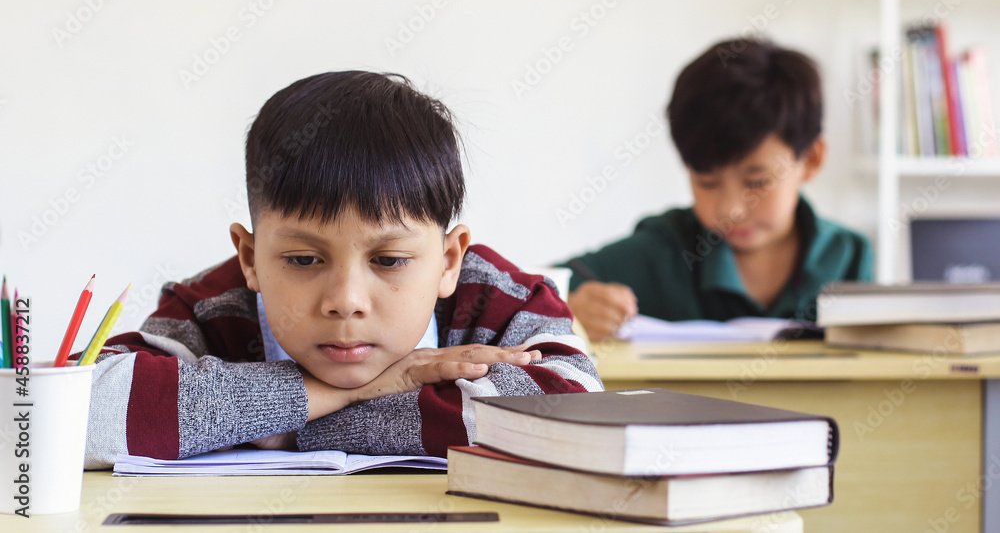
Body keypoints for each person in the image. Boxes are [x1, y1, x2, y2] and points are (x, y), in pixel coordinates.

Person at [83, 71, 602, 469]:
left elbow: (573, 412)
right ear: (250, 258)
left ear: (448, 260)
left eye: (390, 260)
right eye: (304, 260)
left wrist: (277, 427)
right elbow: (83, 413)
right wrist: (353, 390)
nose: (346, 299)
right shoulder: (211, 308)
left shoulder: (501, 297)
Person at [561, 38, 873, 341]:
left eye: (756, 182)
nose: (730, 210)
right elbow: (526, 289)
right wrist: (570, 308)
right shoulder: (660, 252)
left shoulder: (850, 258)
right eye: (706, 182)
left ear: (811, 160)